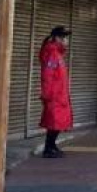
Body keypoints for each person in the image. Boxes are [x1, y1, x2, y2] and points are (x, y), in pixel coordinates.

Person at [39, 26, 72, 158]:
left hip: (59, 94)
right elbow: (48, 75)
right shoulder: (53, 54)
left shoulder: (57, 53)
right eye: (64, 38)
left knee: (58, 122)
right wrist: (47, 94)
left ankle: (52, 146)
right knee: (54, 122)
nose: (66, 41)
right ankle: (48, 148)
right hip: (54, 95)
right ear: (58, 38)